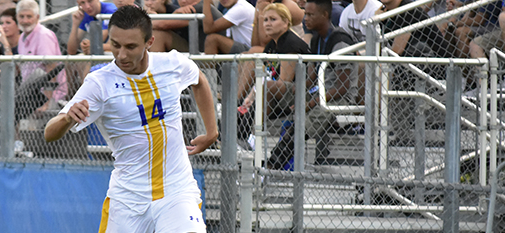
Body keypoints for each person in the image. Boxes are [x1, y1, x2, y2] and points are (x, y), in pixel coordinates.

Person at [44, 6, 219, 233]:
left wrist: (211, 131)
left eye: (130, 47)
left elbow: (199, 80)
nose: (121, 54)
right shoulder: (99, 83)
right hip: (129, 197)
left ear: (149, 43)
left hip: (176, 188)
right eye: (115, 45)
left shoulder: (171, 64)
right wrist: (66, 118)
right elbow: (50, 134)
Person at [267, 0, 355, 170]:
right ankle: (246, 131)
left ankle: (272, 166)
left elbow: (342, 87)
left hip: (336, 99)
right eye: (305, 14)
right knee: (274, 88)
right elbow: (311, 79)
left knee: (298, 128)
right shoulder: (316, 40)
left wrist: (310, 103)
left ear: (325, 15)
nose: (305, 18)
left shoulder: (340, 41)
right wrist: (295, 92)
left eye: (310, 15)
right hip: (318, 94)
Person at [238, 3, 310, 145]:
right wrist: (250, 97)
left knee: (268, 88)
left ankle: (250, 135)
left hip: (300, 93)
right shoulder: (271, 45)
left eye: (273, 19)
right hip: (274, 92)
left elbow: (283, 82)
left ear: (285, 23)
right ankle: (237, 133)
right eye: (265, 20)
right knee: (249, 99)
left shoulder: (290, 43)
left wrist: (256, 95)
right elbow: (266, 73)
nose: (267, 24)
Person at [16, 0, 66, 115]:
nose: (25, 21)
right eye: (21, 16)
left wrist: (46, 103)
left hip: (47, 97)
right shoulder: (22, 37)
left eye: (29, 16)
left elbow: (51, 69)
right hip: (31, 95)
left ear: (37, 17)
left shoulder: (43, 35)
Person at [150, 0, 227, 53]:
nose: (183, 1)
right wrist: (175, 13)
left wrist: (141, 25)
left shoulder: (198, 7)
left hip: (205, 57)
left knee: (158, 35)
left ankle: (156, 73)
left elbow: (162, 25)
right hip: (197, 52)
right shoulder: (185, 9)